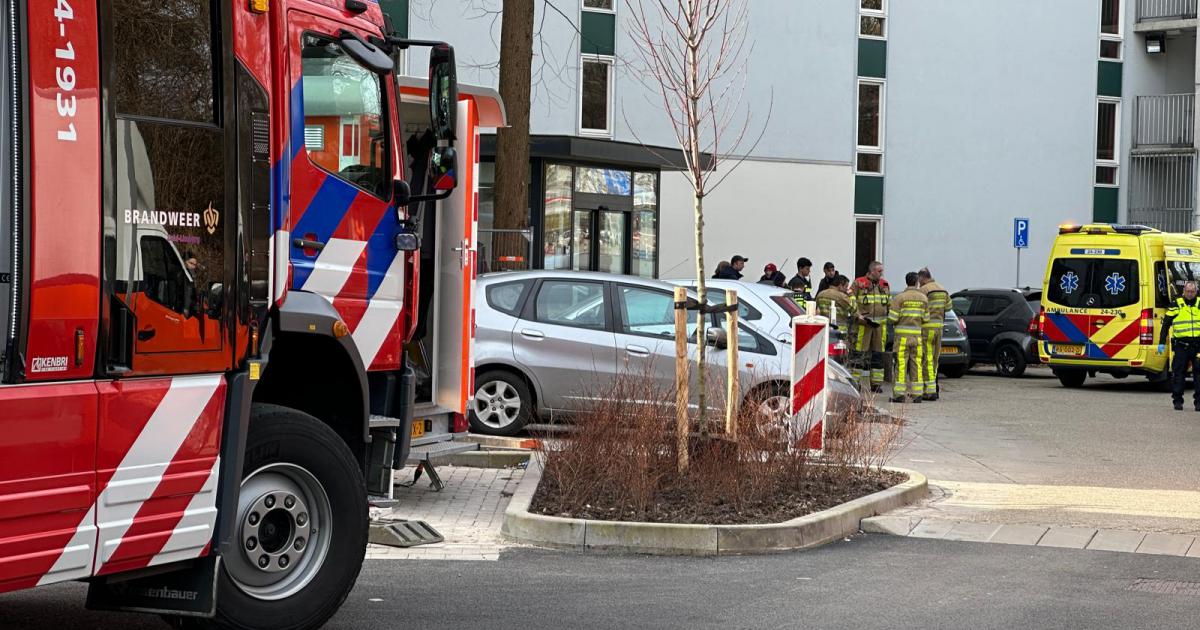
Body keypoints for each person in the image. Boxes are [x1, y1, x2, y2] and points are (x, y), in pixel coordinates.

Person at [889, 272, 930, 404]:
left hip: (902, 338)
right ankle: (917, 394)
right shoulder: (923, 298)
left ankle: (899, 395)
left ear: (906, 282)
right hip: (917, 338)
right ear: (917, 282)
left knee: (901, 365)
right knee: (917, 365)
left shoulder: (899, 298)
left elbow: (892, 318)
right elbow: (926, 319)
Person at [1160, 281, 1200, 411]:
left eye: (1192, 292)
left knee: (1199, 376)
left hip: (1198, 346)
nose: (1190, 294)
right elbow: (1166, 324)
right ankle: (1177, 401)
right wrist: (1161, 342)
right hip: (1181, 346)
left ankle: (1198, 403)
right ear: (1184, 291)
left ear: (1196, 292)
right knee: (1179, 374)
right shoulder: (1176, 304)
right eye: (1188, 291)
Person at [851, 261, 890, 392]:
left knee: (878, 355)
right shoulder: (859, 283)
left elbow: (889, 304)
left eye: (882, 271)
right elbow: (850, 301)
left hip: (880, 326)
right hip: (864, 325)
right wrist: (857, 315)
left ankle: (876, 384)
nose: (881, 274)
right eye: (879, 271)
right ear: (872, 271)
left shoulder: (884, 284)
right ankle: (855, 383)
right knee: (859, 354)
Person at [917, 268, 950, 401]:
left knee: (926, 358)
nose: (918, 282)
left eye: (919, 280)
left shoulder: (924, 290)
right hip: (939, 328)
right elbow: (948, 307)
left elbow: (918, 308)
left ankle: (929, 390)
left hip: (926, 328)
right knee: (935, 359)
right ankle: (934, 388)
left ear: (922, 278)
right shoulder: (943, 289)